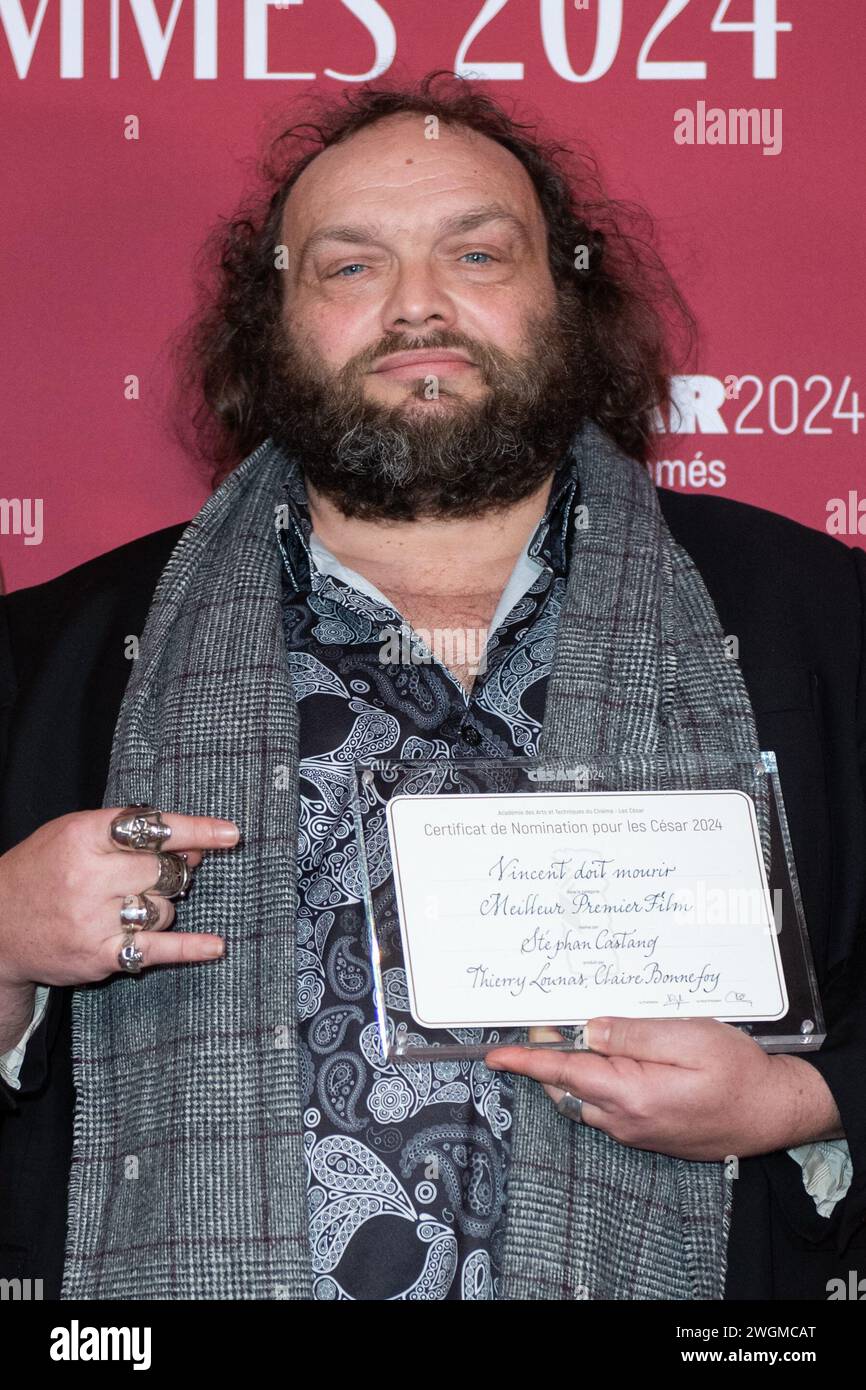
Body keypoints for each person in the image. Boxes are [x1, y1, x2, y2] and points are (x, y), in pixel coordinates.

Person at [1, 72, 864, 1301]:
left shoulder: (812, 619)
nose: (417, 307)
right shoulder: (54, 656)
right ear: (272, 320)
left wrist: (798, 1096)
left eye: (475, 253)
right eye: (350, 268)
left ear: (563, 292)